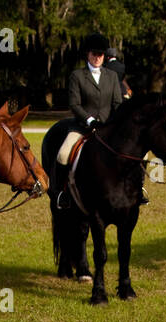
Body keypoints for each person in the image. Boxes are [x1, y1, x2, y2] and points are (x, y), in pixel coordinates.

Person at [54, 32, 125, 209]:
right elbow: (75, 104)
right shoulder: (77, 76)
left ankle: (137, 189)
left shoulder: (112, 76)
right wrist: (90, 120)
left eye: (101, 54)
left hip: (107, 127)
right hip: (82, 127)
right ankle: (63, 193)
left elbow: (117, 103)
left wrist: (116, 123)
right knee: (63, 154)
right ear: (88, 54)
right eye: (94, 54)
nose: (97, 57)